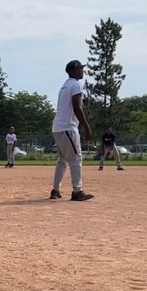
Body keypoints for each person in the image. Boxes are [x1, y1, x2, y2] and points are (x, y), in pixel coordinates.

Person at [50, 59, 94, 201]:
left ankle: (55, 190)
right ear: (75, 71)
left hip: (58, 127)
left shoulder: (64, 86)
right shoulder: (76, 84)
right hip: (67, 127)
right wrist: (86, 127)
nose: (83, 71)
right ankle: (77, 191)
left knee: (62, 160)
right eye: (81, 69)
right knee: (76, 159)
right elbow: (77, 107)